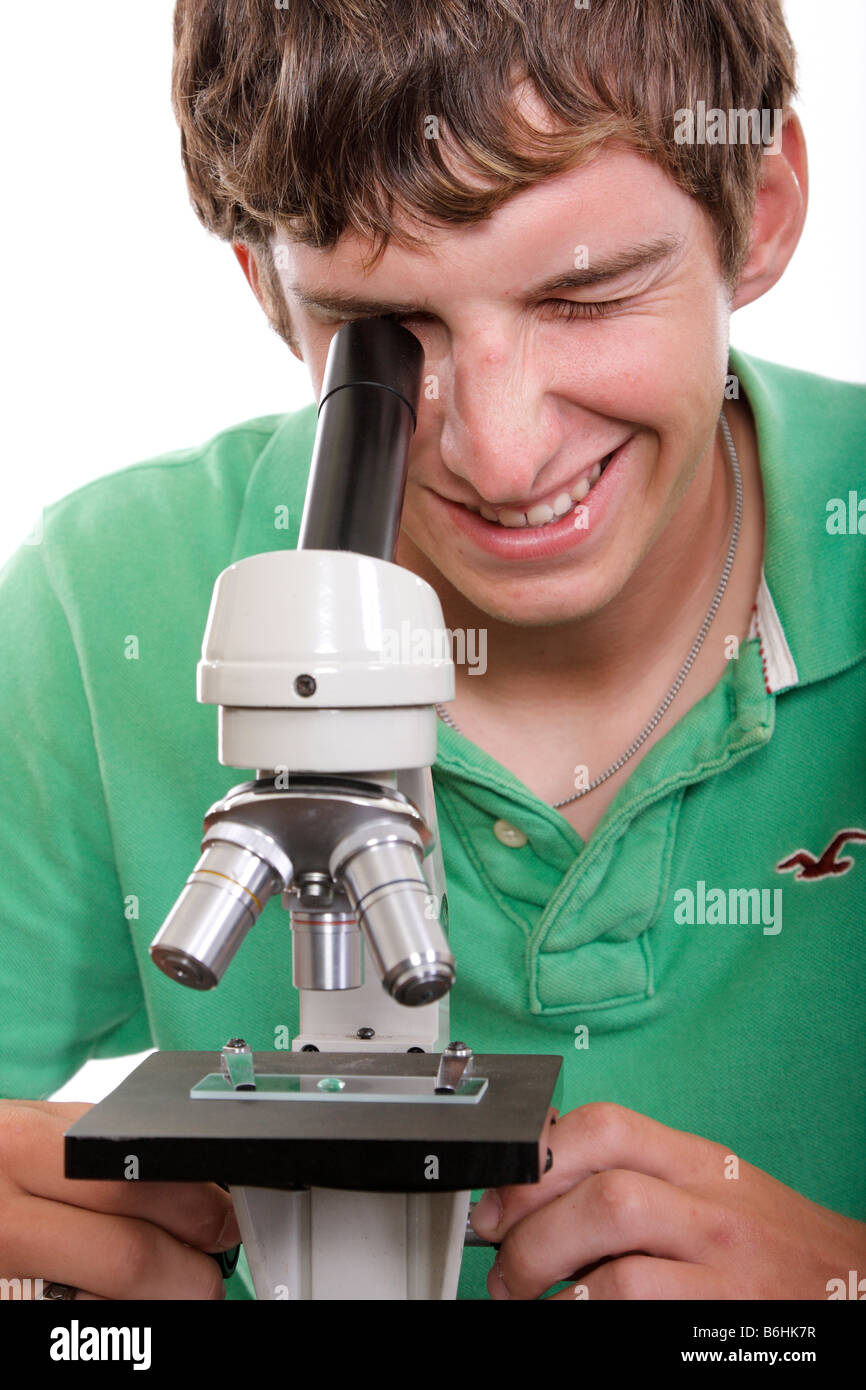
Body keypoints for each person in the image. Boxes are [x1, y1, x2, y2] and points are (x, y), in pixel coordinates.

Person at [1, 0, 864, 1302]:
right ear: (264, 287)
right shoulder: (104, 591)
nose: (503, 455)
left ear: (761, 205)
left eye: (585, 295)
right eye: (387, 340)